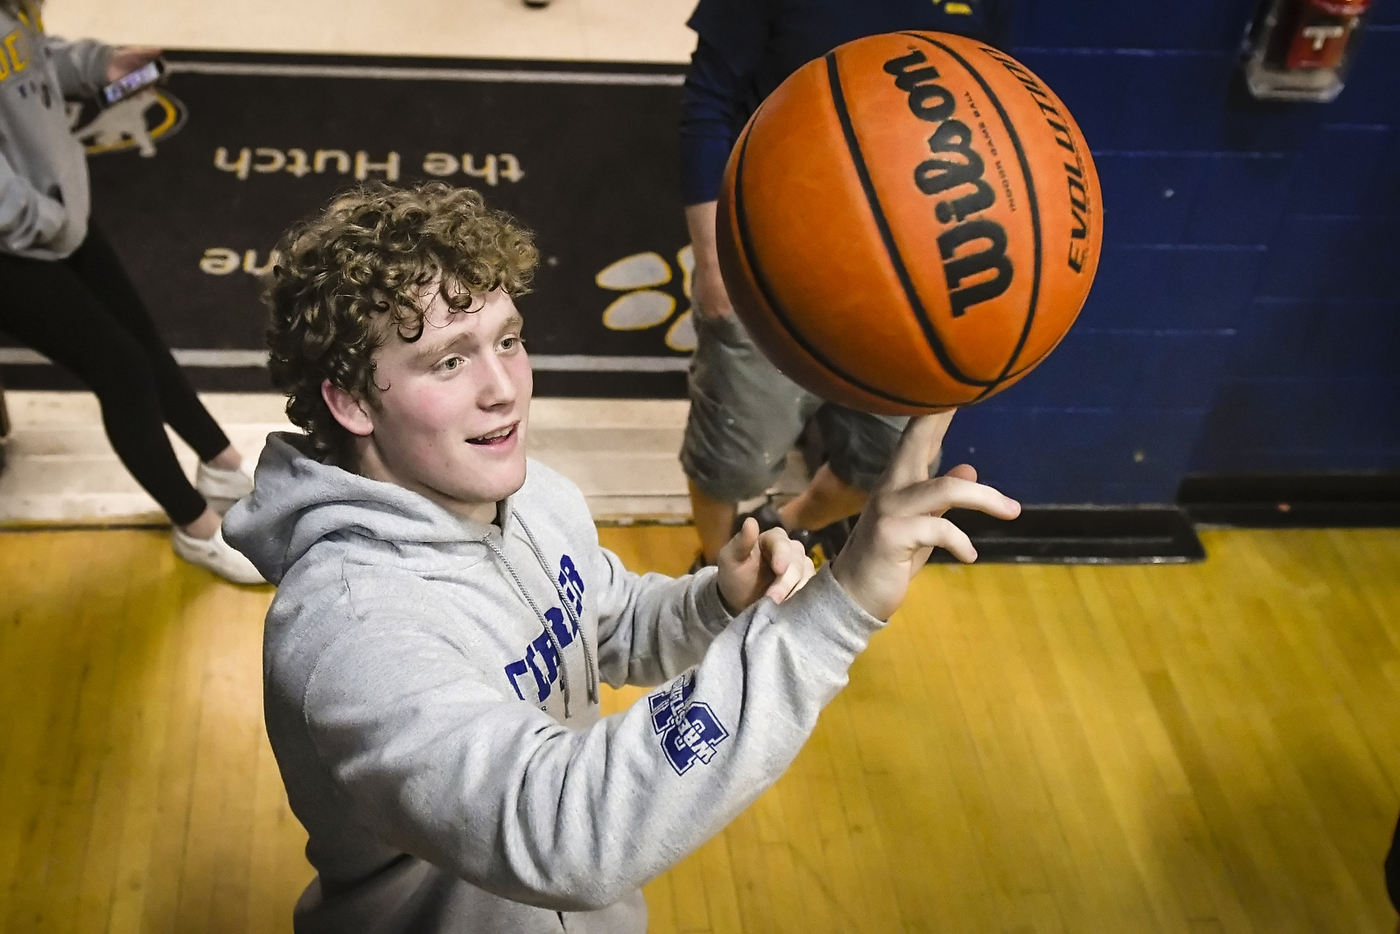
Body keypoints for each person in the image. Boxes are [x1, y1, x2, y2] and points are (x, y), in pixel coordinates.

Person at [222, 181, 1019, 933]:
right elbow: (563, 832)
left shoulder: (533, 497)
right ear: (351, 400)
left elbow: (603, 621)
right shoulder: (352, 633)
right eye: (449, 361)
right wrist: (837, 612)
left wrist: (714, 603)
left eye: (509, 340)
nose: (504, 389)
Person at [678, 0, 1010, 567]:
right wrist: (713, 259)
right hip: (769, 256)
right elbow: (708, 102)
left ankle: (792, 522)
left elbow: (985, 119)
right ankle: (715, 568)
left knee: (886, 466)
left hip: (910, 284)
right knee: (731, 461)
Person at [0, 0, 261, 583]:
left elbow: (27, 63)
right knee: (120, 369)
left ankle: (220, 462)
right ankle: (195, 527)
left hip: (54, 214)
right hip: (16, 239)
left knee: (140, 336)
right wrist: (39, 219)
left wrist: (99, 65)